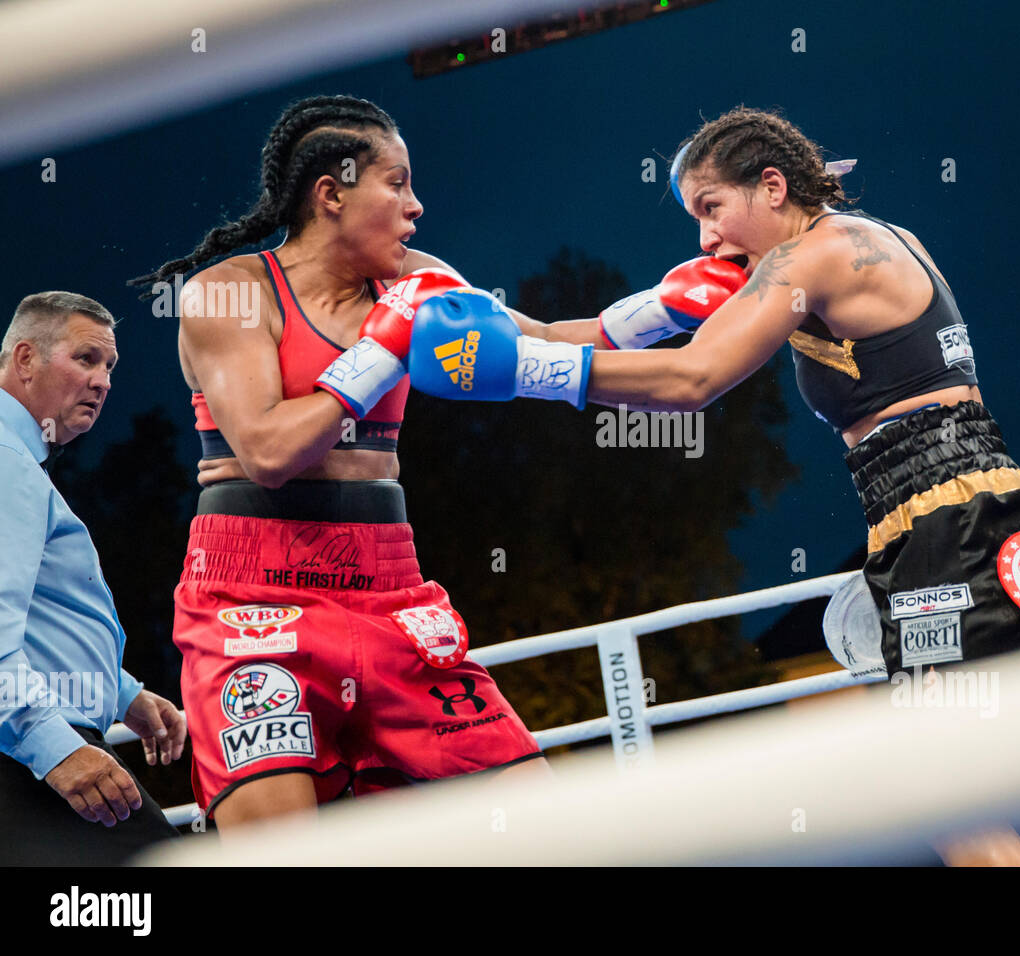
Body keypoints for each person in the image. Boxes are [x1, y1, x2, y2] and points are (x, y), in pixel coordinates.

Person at [407, 107, 1020, 867]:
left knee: (947, 798)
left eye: (712, 208)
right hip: (992, 520)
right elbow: (610, 333)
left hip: (949, 540)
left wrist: (524, 374)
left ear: (771, 186)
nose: (704, 237)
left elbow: (693, 376)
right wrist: (494, 322)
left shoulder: (810, 257)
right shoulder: (873, 238)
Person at [125, 95, 742, 831]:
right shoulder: (231, 292)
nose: (416, 206)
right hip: (251, 597)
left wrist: (670, 307)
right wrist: (382, 349)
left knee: (545, 828)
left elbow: (542, 338)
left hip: (390, 589)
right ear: (332, 193)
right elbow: (269, 450)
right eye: (397, 183)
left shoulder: (416, 279)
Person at [0, 291, 185, 864]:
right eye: (85, 359)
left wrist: (118, 690)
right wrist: (53, 746)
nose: (103, 381)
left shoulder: (18, 461)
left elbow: (32, 618)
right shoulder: (5, 460)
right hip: (30, 750)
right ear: (25, 359)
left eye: (109, 367)